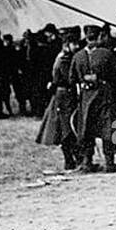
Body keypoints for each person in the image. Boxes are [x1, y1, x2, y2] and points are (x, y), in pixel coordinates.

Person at [70, 25, 116, 172]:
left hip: (86, 97)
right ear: (99, 36)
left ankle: (87, 162)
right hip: (105, 96)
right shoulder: (107, 54)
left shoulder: (77, 56)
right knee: (111, 126)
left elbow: (72, 79)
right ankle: (110, 162)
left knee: (86, 128)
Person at [36, 27, 81, 170]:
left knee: (66, 127)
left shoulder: (63, 57)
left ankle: (72, 159)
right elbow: (70, 78)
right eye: (74, 44)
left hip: (64, 95)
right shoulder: (64, 60)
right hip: (64, 96)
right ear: (67, 44)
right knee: (66, 128)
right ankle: (71, 160)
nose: (77, 47)